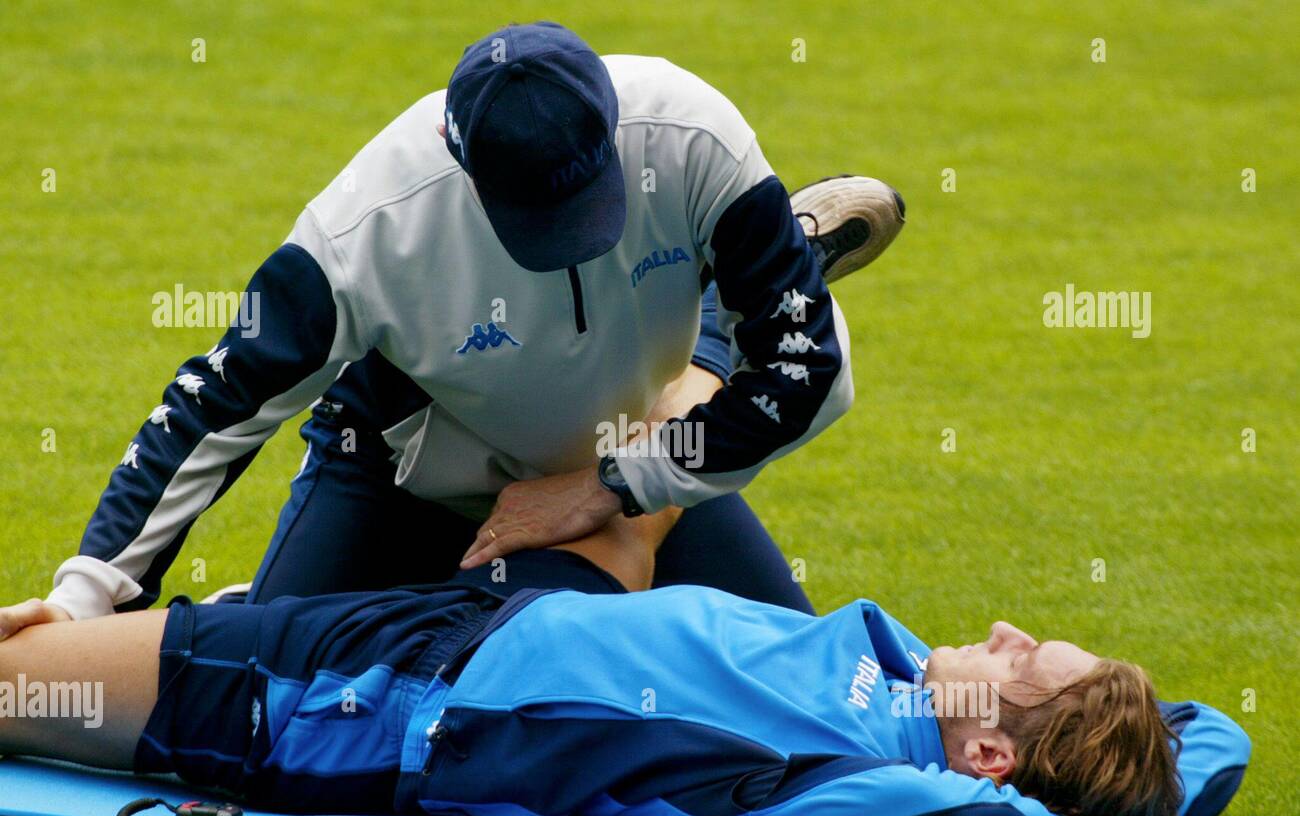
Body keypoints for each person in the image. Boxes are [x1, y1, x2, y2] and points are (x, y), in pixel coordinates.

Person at [0, 20, 909, 642]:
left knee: (792, 686)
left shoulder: (691, 135)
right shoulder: (365, 231)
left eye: (588, 207)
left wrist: (611, 483)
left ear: (612, 116)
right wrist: (84, 600)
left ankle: (736, 299)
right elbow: (214, 406)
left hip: (624, 448)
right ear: (459, 158)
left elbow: (809, 377)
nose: (566, 248)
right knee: (281, 688)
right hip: (401, 468)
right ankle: (752, 282)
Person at [0, 503, 1250, 816]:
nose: (1004, 628)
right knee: (631, 440)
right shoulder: (916, 686)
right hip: (522, 609)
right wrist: (1122, 789)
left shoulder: (851, 783)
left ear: (987, 757)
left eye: (1025, 661)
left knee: (15, 677)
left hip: (383, 689)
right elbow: (1205, 737)